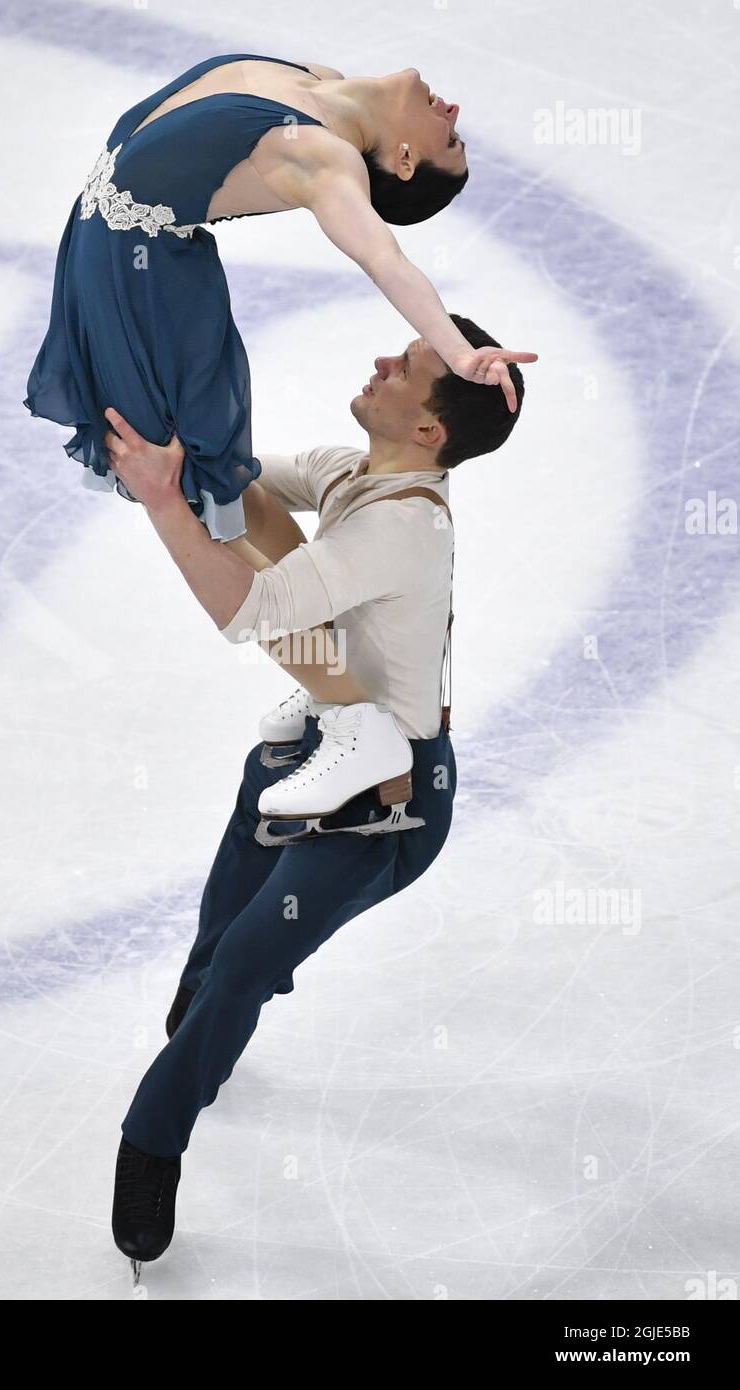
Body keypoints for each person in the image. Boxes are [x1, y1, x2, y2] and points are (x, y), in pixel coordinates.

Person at [104, 317, 526, 1264]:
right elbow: (243, 475)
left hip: (391, 800)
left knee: (250, 958)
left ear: (430, 432)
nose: (381, 357)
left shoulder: (401, 529)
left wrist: (165, 508)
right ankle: (209, 999)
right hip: (322, 738)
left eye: (407, 367)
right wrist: (172, 405)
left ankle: (151, 1139)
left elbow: (254, 607)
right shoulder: (354, 470)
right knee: (222, 924)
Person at [25, 54, 537, 811]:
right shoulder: (317, 80)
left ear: (400, 162)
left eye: (448, 141)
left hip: (147, 299)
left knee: (198, 498)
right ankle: (333, 680)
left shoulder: (323, 159)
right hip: (117, 266)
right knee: (226, 485)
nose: (453, 112)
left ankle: (360, 722)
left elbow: (382, 256)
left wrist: (459, 354)